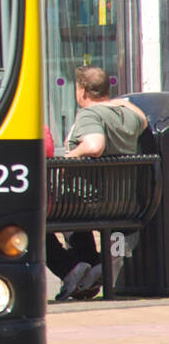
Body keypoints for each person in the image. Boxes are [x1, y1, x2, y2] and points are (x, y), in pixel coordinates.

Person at [48, 65, 148, 300]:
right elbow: (144, 120)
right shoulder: (129, 115)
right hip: (125, 203)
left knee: (43, 219)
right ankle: (90, 273)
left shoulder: (90, 114)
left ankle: (76, 269)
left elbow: (95, 145)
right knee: (70, 215)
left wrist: (71, 155)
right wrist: (122, 102)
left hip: (91, 203)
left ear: (82, 91)